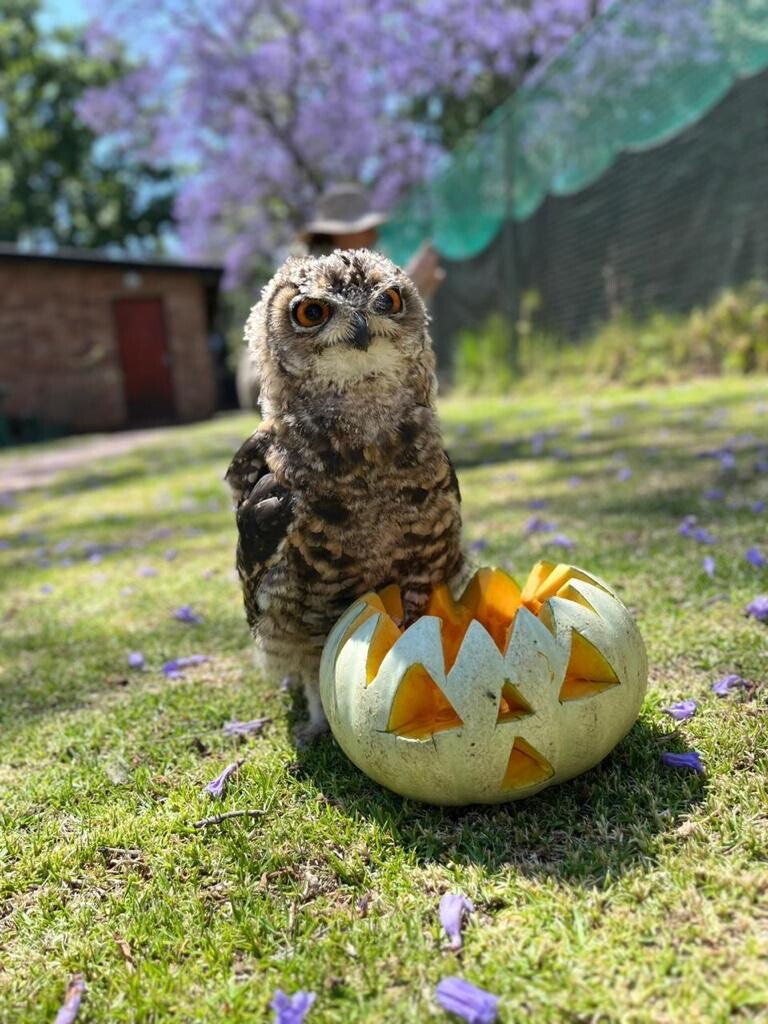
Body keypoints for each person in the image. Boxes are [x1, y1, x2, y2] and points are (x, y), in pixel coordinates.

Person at [236, 184, 444, 409]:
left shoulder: (365, 276)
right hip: (271, 388)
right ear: (341, 234)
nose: (373, 234)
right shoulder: (302, 284)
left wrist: (408, 299)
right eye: (365, 228)